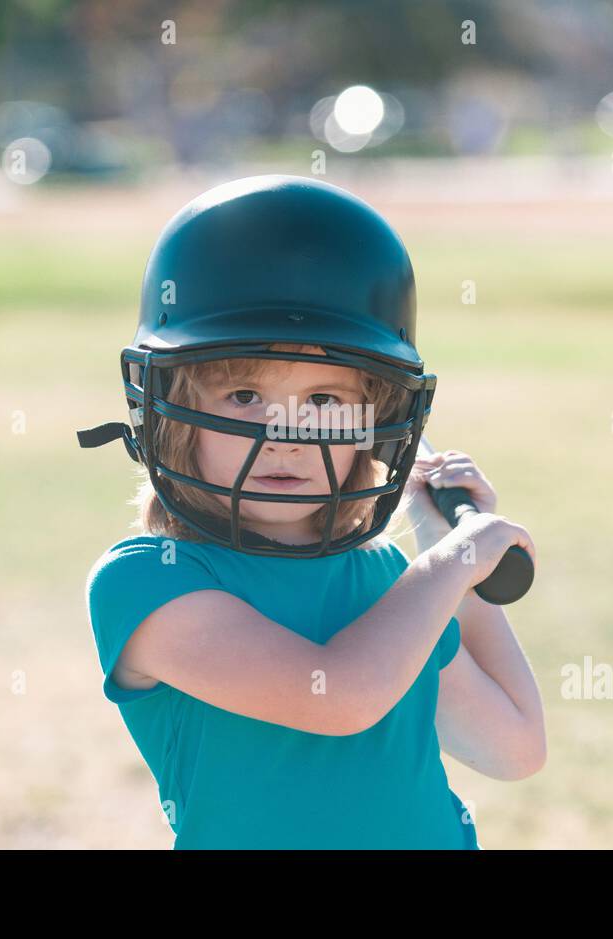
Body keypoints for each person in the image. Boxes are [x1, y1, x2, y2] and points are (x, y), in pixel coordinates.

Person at [78, 174, 543, 849]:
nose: (285, 432)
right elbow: (340, 696)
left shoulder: (390, 581)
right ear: (172, 411)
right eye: (243, 394)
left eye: (325, 400)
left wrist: (455, 554)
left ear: (377, 426)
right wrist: (451, 564)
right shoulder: (149, 581)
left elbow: (515, 746)